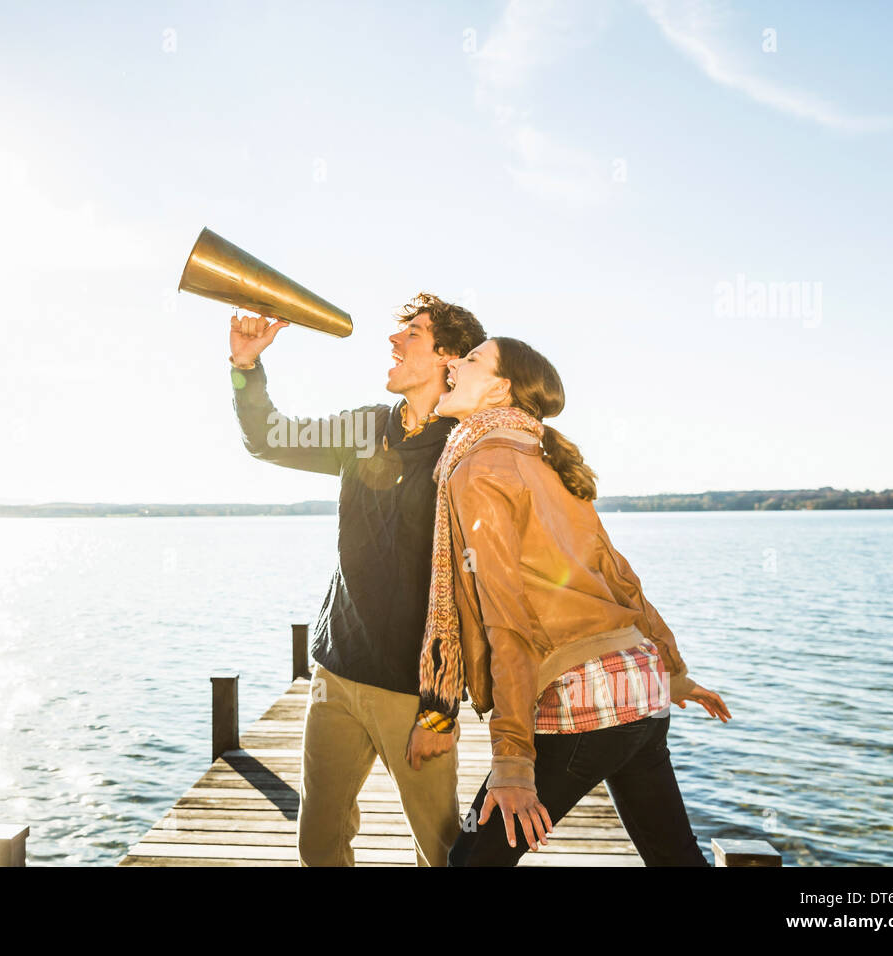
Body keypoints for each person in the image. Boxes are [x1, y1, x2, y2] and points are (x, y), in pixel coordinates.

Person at [408, 335, 731, 866]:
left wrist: (512, 761)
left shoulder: (478, 468)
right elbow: (622, 580)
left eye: (469, 359)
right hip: (639, 682)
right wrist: (671, 673)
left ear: (500, 388)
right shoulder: (543, 456)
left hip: (582, 698)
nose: (451, 365)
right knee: (675, 857)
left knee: (470, 863)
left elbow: (506, 620)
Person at [229, 293, 486, 866]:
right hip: (338, 675)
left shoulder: (467, 451)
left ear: (450, 359)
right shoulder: (364, 427)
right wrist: (246, 369)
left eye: (412, 334)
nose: (394, 341)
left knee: (440, 848)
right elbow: (269, 438)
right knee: (318, 844)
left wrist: (441, 709)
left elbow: (478, 594)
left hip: (415, 692)